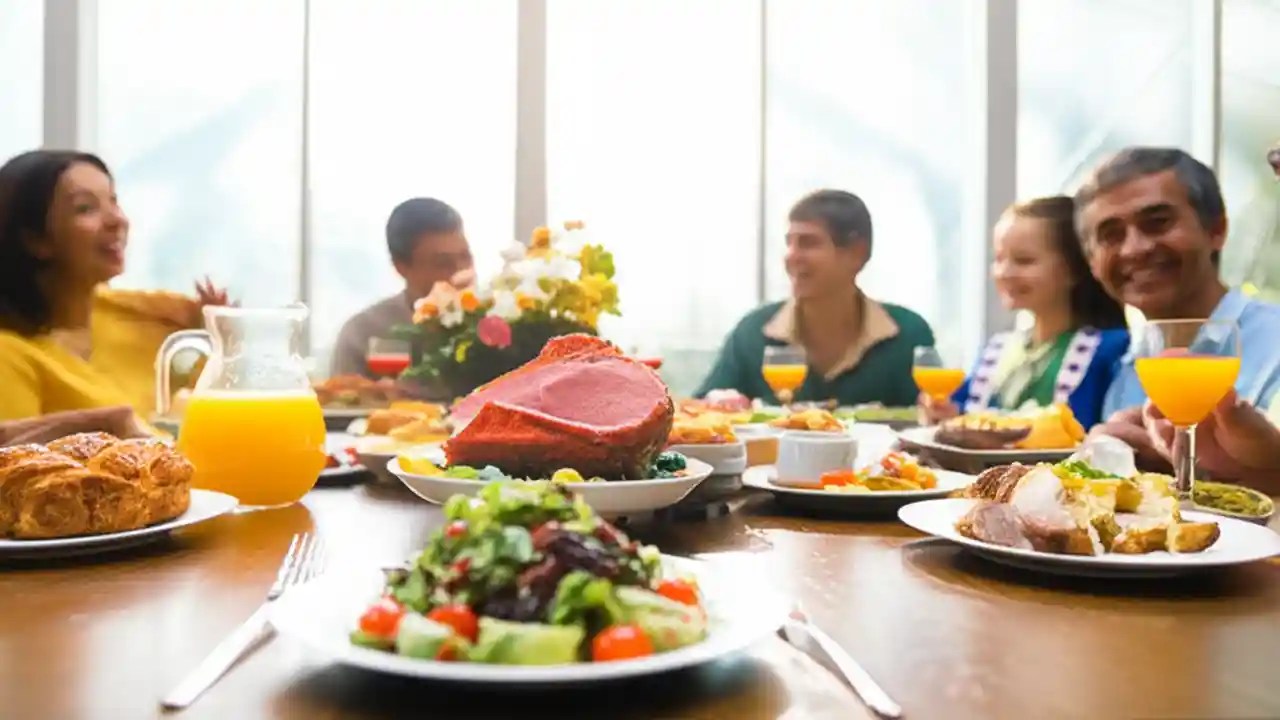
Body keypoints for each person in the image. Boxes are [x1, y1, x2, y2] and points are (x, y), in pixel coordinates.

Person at [1079, 147, 1280, 461]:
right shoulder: (1124, 367)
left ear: (1216, 230)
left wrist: (1191, 469)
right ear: (1092, 263)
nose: (1135, 249)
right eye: (1111, 235)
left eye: (1157, 222)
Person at [697, 189, 934, 406]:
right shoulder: (753, 332)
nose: (791, 256)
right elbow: (700, 408)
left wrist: (938, 411)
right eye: (789, 243)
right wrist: (715, 401)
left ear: (856, 254)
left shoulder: (908, 334)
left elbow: (932, 423)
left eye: (808, 243)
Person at [920, 196, 1129, 428]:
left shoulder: (1112, 350)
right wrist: (942, 414)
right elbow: (958, 415)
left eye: (1024, 260)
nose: (1004, 272)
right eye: (998, 258)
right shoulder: (996, 350)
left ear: (1074, 269)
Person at [331, 197, 474, 378]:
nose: (459, 272)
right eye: (443, 263)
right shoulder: (365, 333)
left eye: (466, 257)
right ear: (401, 267)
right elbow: (343, 400)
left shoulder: (498, 329)